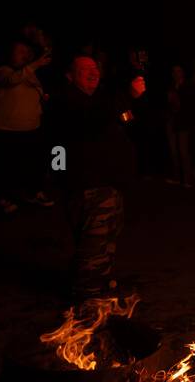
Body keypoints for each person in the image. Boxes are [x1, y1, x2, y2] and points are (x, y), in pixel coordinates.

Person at [51, 56, 137, 301]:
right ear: (70, 76)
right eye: (85, 69)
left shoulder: (99, 98)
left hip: (109, 183)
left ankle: (101, 287)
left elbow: (126, 121)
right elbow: (91, 121)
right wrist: (127, 95)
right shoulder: (65, 101)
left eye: (95, 68)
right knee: (93, 246)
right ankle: (86, 300)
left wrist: (128, 104)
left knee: (107, 242)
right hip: (88, 186)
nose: (93, 72)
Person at [0, 40, 53, 214]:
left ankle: (32, 193)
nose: (25, 55)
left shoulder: (30, 74)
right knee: (5, 166)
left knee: (32, 165)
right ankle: (3, 198)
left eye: (27, 51)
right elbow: (12, 80)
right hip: (6, 129)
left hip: (31, 127)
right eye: (20, 51)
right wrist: (36, 64)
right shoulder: (2, 71)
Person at [164, 64, 195, 187]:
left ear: (182, 73)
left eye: (178, 71)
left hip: (183, 122)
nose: (176, 73)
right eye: (174, 71)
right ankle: (177, 177)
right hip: (172, 121)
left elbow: (189, 105)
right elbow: (168, 103)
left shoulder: (188, 86)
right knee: (173, 151)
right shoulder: (171, 86)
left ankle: (188, 179)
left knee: (183, 151)